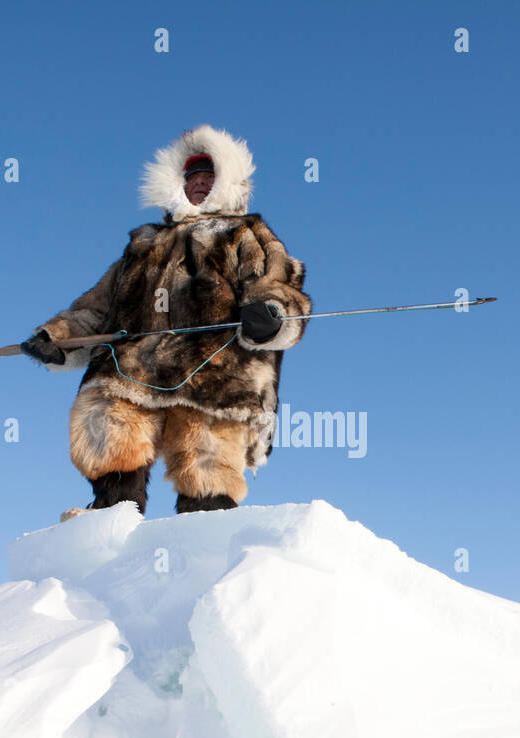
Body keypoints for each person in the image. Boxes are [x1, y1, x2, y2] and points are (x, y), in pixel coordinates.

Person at [20, 125, 311, 520]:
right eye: (193, 178)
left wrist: (270, 314)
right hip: (134, 367)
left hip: (214, 369)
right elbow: (97, 306)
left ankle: (204, 530)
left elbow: (277, 285)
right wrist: (57, 337)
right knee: (109, 425)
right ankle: (110, 518)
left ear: (228, 183)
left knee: (205, 456)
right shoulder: (144, 245)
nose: (200, 185)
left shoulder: (244, 235)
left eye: (210, 178)